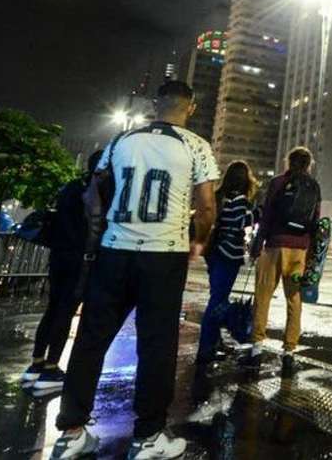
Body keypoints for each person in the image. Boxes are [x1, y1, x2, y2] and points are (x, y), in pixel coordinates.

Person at [51, 81, 219, 460]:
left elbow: (93, 192)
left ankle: (72, 431)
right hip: (164, 253)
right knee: (157, 345)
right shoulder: (195, 145)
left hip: (114, 250)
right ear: (189, 108)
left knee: (91, 339)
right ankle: (148, 437)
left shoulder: (123, 140)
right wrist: (198, 240)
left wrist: (97, 231)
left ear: (155, 105)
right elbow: (207, 206)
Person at [21, 149, 104, 396]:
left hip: (59, 256)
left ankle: (36, 365)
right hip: (80, 259)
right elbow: (97, 225)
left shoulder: (70, 187)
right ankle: (51, 369)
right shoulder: (94, 192)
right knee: (66, 312)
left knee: (54, 308)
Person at [245, 146, 319, 374]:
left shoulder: (278, 183)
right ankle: (289, 352)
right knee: (294, 300)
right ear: (308, 165)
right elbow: (315, 222)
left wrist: (257, 245)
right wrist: (312, 257)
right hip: (300, 250)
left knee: (263, 296)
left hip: (276, 246)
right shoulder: (314, 186)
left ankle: (256, 350)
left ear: (289, 162)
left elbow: (266, 216)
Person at [196, 160, 257, 365]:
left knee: (217, 297)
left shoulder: (219, 197)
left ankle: (214, 341)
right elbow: (243, 227)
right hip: (228, 256)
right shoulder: (240, 201)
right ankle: (206, 347)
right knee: (218, 301)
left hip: (213, 253)